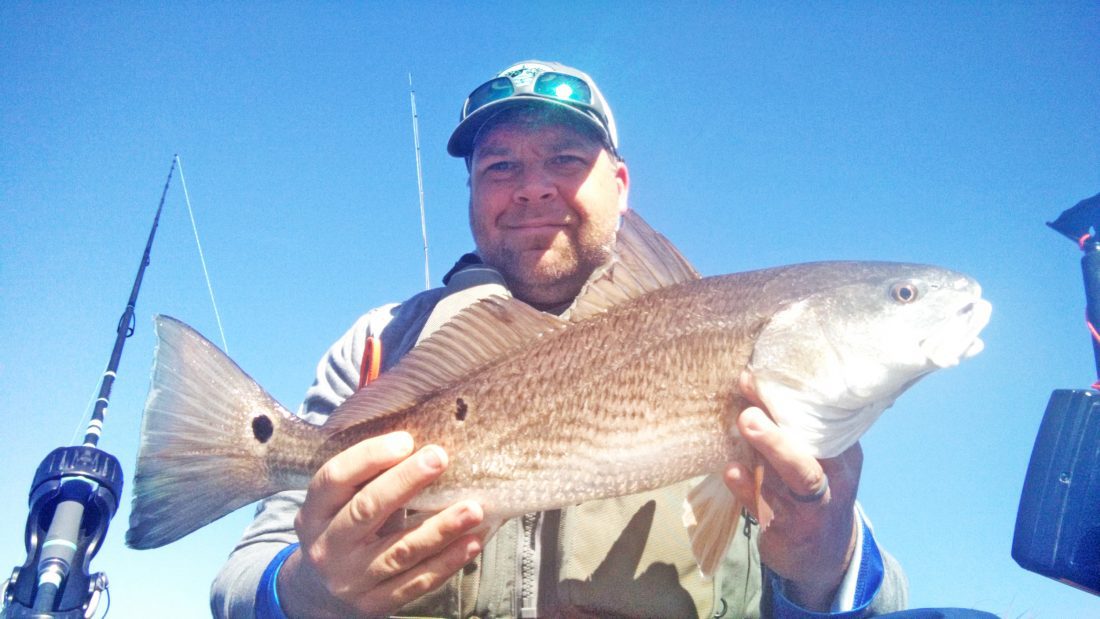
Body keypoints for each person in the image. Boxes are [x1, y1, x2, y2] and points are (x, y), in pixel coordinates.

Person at [211, 60, 908, 618]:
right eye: (500, 166)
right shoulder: (381, 343)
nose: (533, 188)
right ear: (472, 192)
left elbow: (880, 601)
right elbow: (238, 585)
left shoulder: (749, 353)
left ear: (622, 183)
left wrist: (826, 560)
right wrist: (310, 593)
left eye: (566, 159)